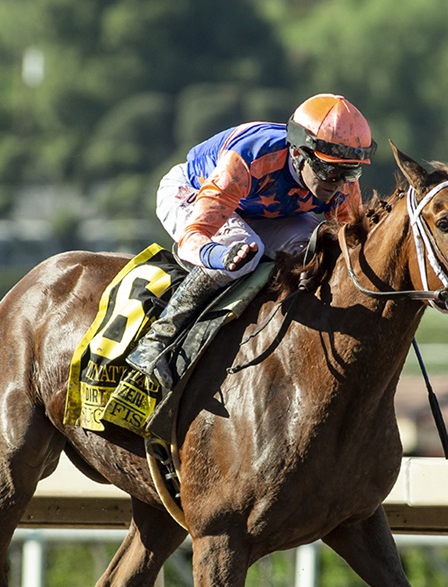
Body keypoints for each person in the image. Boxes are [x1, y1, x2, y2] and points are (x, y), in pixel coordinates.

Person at [127, 93, 376, 389]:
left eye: (349, 172)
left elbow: (352, 245)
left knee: (314, 247)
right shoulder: (249, 156)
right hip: (195, 191)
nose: (337, 183)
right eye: (328, 170)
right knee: (245, 249)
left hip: (261, 210)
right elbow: (193, 237)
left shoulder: (342, 184)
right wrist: (221, 256)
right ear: (298, 153)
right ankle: (157, 341)